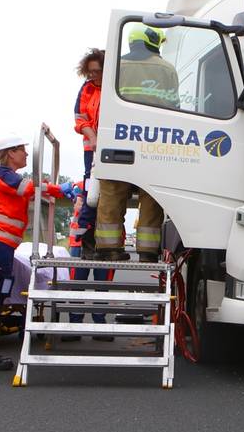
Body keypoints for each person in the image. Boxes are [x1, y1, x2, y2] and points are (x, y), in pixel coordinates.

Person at [0, 135, 73, 370]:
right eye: (22, 151)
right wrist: (58, 188)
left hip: (1, 246)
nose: (27, 155)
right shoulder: (1, 173)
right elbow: (28, 188)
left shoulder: (4, 174)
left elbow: (30, 188)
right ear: (10, 153)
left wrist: (54, 190)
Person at [95, 27, 179, 261]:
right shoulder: (167, 69)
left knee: (111, 194)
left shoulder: (115, 67)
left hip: (117, 140)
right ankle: (147, 252)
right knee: (151, 197)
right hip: (153, 143)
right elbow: (174, 109)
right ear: (153, 42)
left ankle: (107, 249)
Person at [64, 196, 112, 341]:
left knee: (102, 287)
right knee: (77, 286)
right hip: (80, 244)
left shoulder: (112, 185)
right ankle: (75, 326)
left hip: (104, 244)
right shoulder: (79, 186)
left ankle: (99, 327)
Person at [73, 48, 104, 257]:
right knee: (90, 189)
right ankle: (86, 234)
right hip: (91, 149)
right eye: (89, 71)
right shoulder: (87, 89)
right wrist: (92, 137)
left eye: (96, 71)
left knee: (107, 192)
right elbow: (79, 117)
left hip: (112, 147)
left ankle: (96, 236)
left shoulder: (114, 88)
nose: (92, 75)